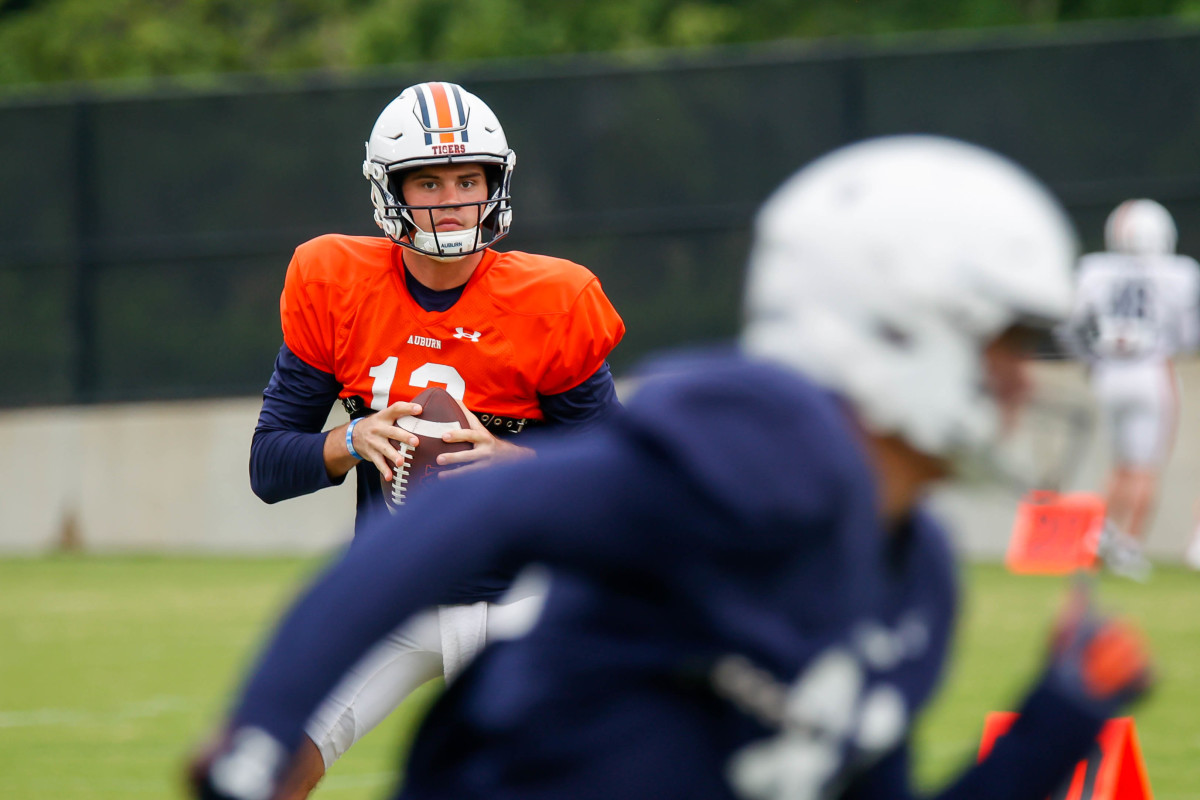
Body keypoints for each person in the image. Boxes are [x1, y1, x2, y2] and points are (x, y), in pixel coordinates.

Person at [192, 136, 1152, 800]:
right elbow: (458, 523)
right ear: (891, 327)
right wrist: (266, 721)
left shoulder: (919, 582)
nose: (1023, 385)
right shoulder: (749, 447)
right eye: (1001, 346)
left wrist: (1055, 725)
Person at [247, 81, 625, 797]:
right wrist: (355, 438)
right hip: (396, 590)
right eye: (429, 181)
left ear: (495, 184)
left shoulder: (554, 300)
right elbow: (269, 464)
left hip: (527, 604)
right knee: (265, 765)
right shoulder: (335, 283)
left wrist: (520, 462)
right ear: (391, 190)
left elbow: (624, 478)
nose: (452, 198)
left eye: (467, 178)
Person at [1058, 199, 1200, 577]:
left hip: (1108, 374)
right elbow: (1185, 335)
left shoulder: (1094, 271)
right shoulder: (1180, 274)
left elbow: (1070, 327)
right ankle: (1129, 545)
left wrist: (1093, 360)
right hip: (1151, 371)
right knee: (1144, 468)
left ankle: (1097, 542)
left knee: (1119, 466)